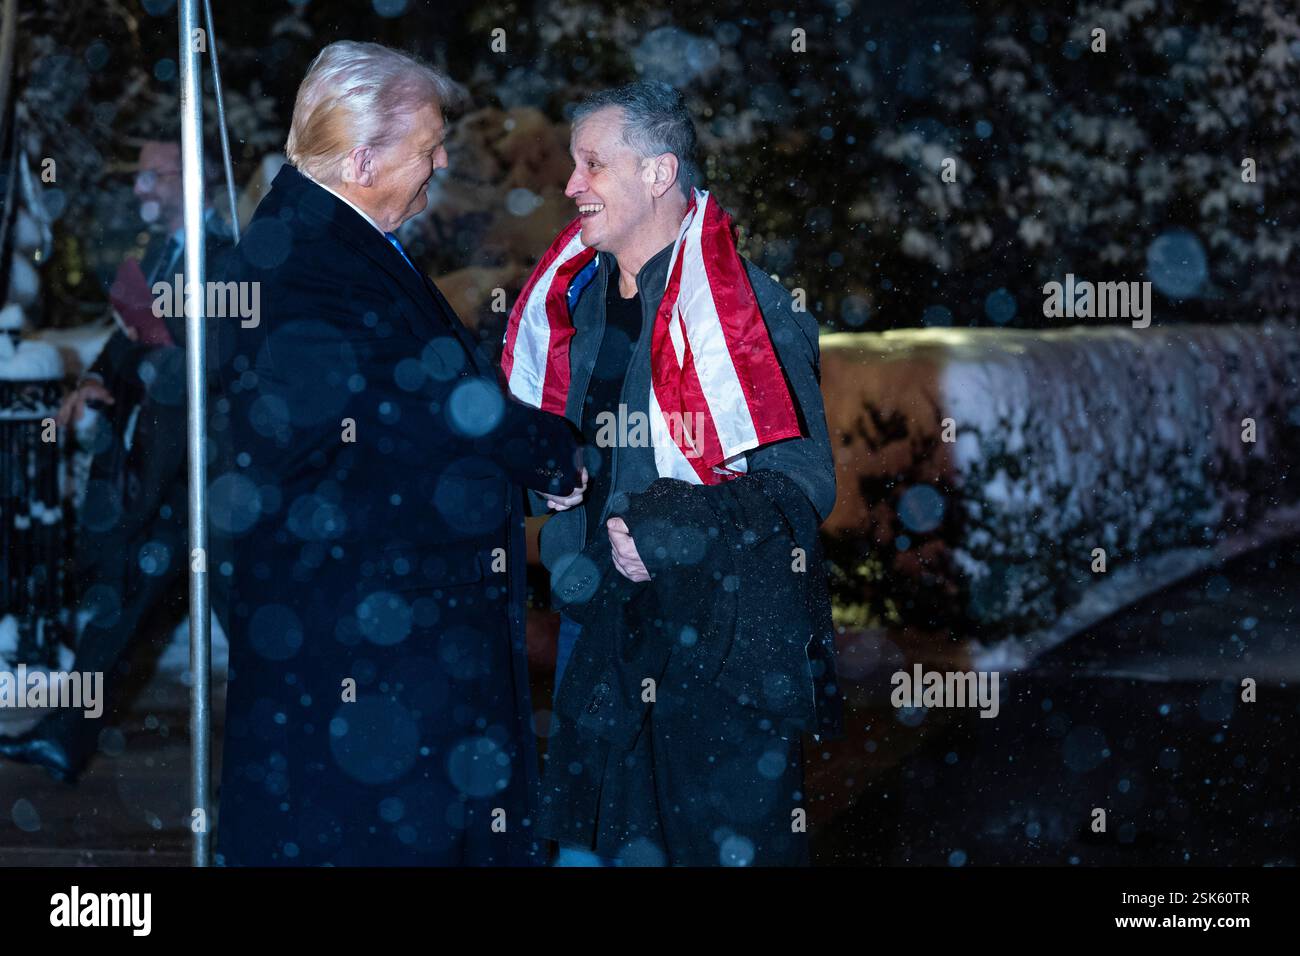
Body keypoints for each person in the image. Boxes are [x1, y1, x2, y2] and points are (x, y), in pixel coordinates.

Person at [210, 40, 581, 866]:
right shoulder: (309, 263)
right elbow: (426, 404)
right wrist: (550, 454)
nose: (443, 162)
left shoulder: (330, 241)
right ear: (363, 156)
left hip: (377, 631)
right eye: (429, 148)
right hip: (367, 642)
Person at [502, 82, 843, 866]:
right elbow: (578, 451)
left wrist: (672, 529)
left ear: (658, 174)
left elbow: (802, 480)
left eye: (593, 164)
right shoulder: (574, 308)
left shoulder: (743, 310)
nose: (571, 186)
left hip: (714, 657)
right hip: (602, 646)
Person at [0, 140, 233, 783]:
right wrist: (94, 383)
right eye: (140, 177)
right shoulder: (162, 255)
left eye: (155, 176)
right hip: (165, 476)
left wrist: (162, 339)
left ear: (199, 179)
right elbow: (129, 339)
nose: (140, 189)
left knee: (254, 618)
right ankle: (63, 738)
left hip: (214, 480)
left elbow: (217, 359)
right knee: (124, 606)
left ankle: (308, 737)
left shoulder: (231, 260)